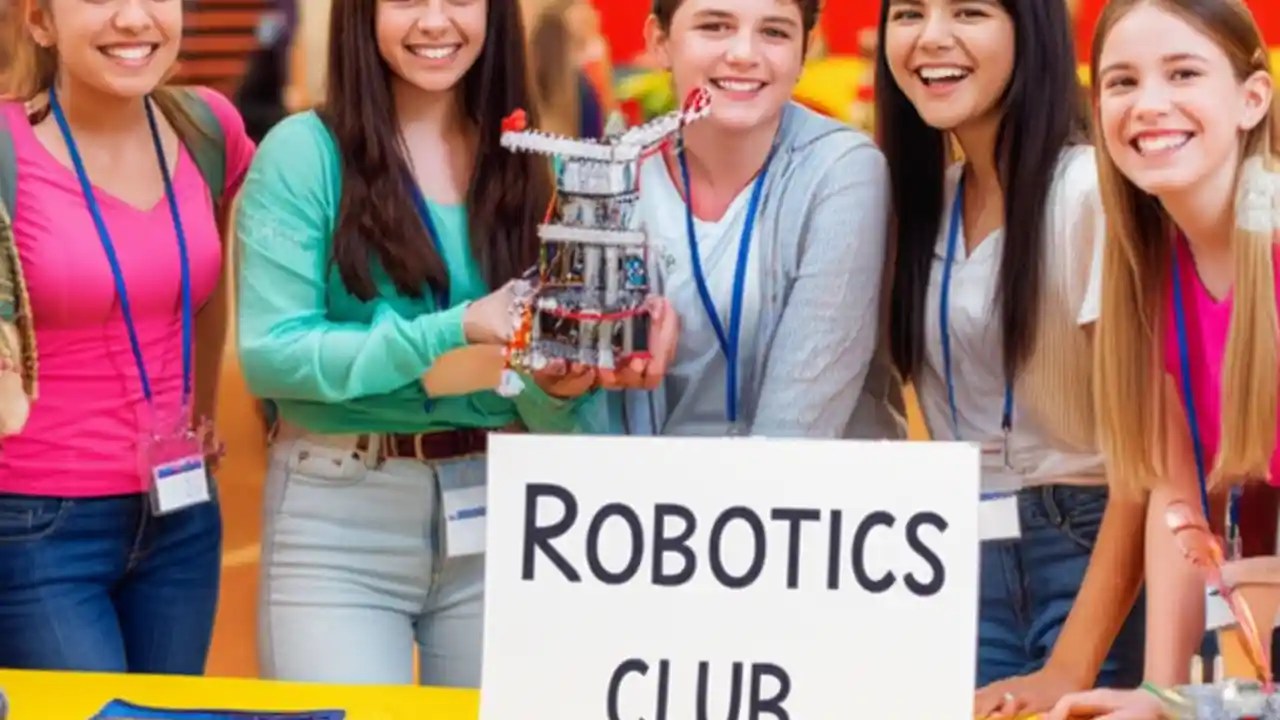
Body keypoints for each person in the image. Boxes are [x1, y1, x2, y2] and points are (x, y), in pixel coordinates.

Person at [235, 0, 605, 687]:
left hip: (500, 512)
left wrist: (559, 386)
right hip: (338, 519)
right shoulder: (303, 152)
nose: (436, 22)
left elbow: (524, 383)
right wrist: (452, 330)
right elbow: (273, 353)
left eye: (460, 0)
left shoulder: (523, 159)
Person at [875, 0, 1147, 714]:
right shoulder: (924, 203)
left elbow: (1143, 471)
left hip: (1089, 548)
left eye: (969, 10)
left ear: (1030, 30)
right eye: (908, 13)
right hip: (957, 546)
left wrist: (1068, 667)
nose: (932, 37)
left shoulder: (1088, 192)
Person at [0, 0, 253, 673]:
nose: (133, 17)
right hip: (35, 523)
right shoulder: (6, 150)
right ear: (40, 21)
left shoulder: (205, 127)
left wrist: (199, 406)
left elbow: (204, 279)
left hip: (182, 516)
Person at [1049, 1, 1279, 716]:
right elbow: (1175, 504)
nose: (1149, 105)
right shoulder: (1145, 272)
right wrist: (1162, 693)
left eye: (1182, 73)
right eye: (1121, 83)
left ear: (1252, 99)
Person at [610, 0, 905, 440]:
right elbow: (574, 420)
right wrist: (563, 388)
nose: (744, 53)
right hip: (646, 499)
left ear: (807, 50)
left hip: (801, 498)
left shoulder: (842, 171)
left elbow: (801, 423)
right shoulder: (614, 176)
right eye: (715, 26)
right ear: (659, 41)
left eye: (774, 32)